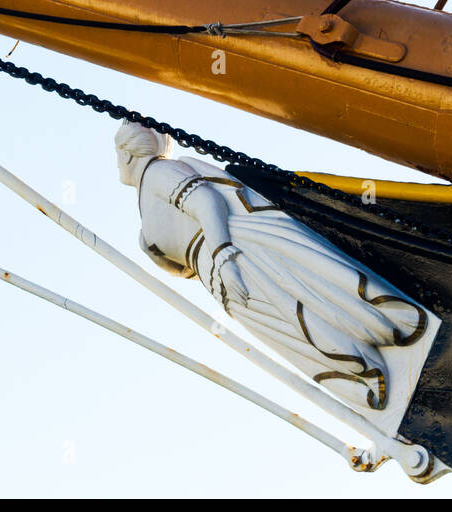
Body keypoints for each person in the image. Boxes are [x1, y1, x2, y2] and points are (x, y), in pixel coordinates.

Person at [115, 122, 425, 411]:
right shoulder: (145, 215)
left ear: (126, 154)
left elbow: (206, 201)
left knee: (303, 303)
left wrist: (222, 255)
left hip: (234, 250)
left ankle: (382, 337)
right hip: (217, 275)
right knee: (289, 330)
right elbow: (181, 268)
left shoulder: (157, 172)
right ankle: (362, 375)